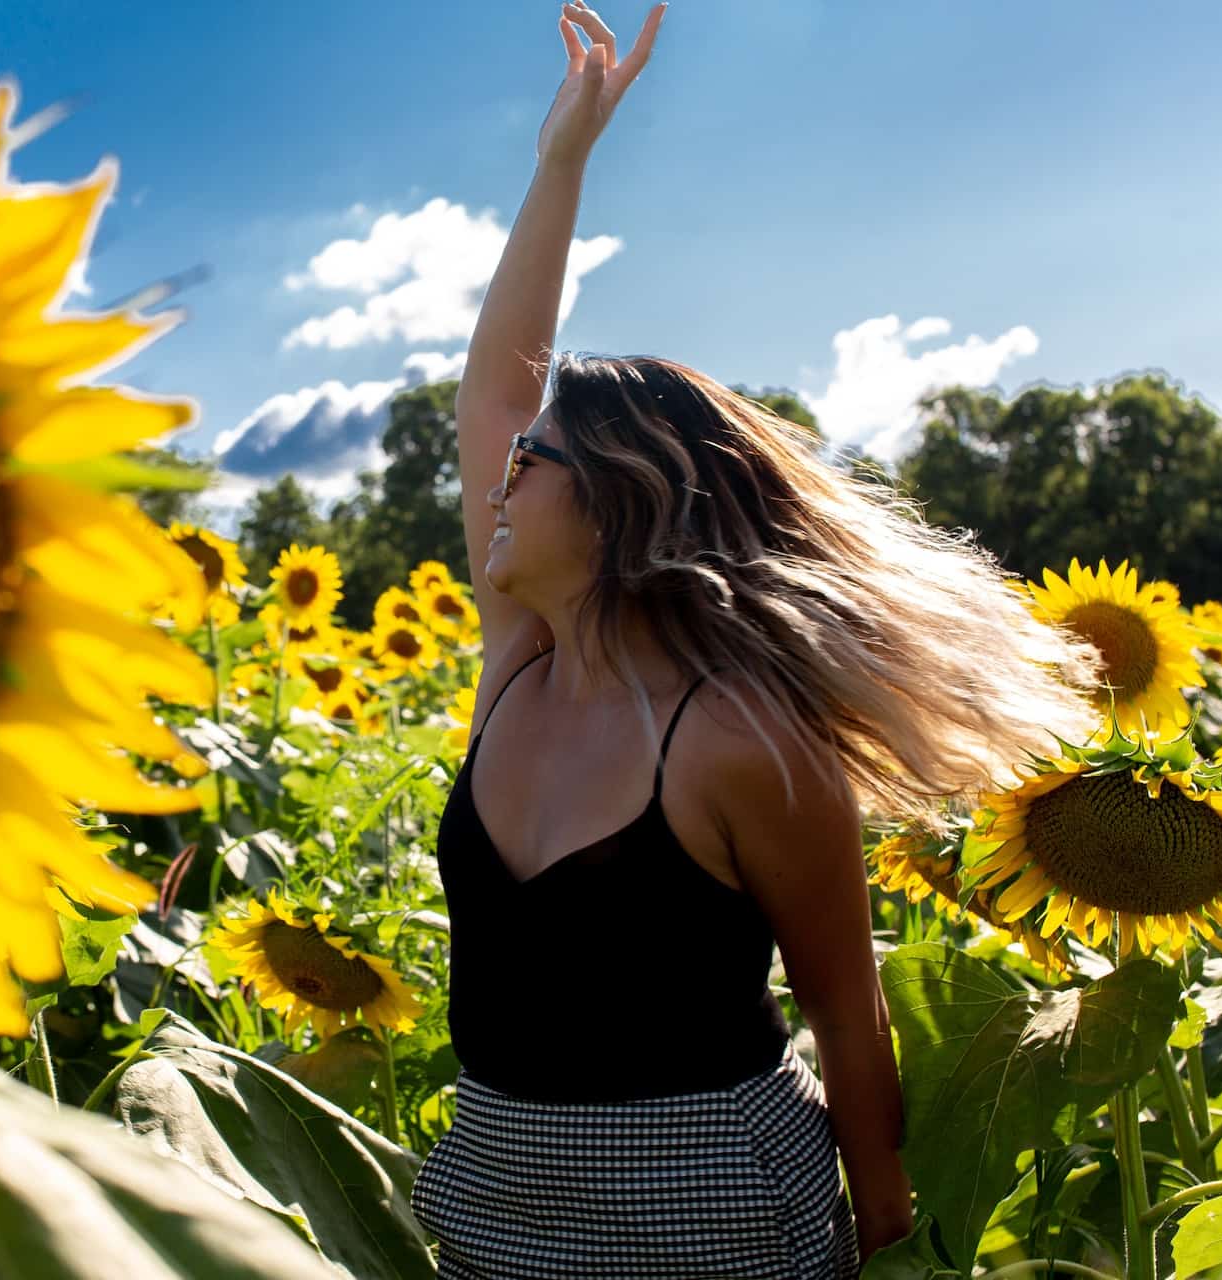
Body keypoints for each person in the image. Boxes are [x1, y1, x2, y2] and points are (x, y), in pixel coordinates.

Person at [407, 4, 1106, 1277]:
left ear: (621, 501)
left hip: (712, 1196)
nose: (496, 480)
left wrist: (885, 1208)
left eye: (531, 464)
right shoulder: (519, 663)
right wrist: (561, 159)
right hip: (498, 1186)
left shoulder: (739, 738)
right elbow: (493, 392)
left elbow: (846, 1000)